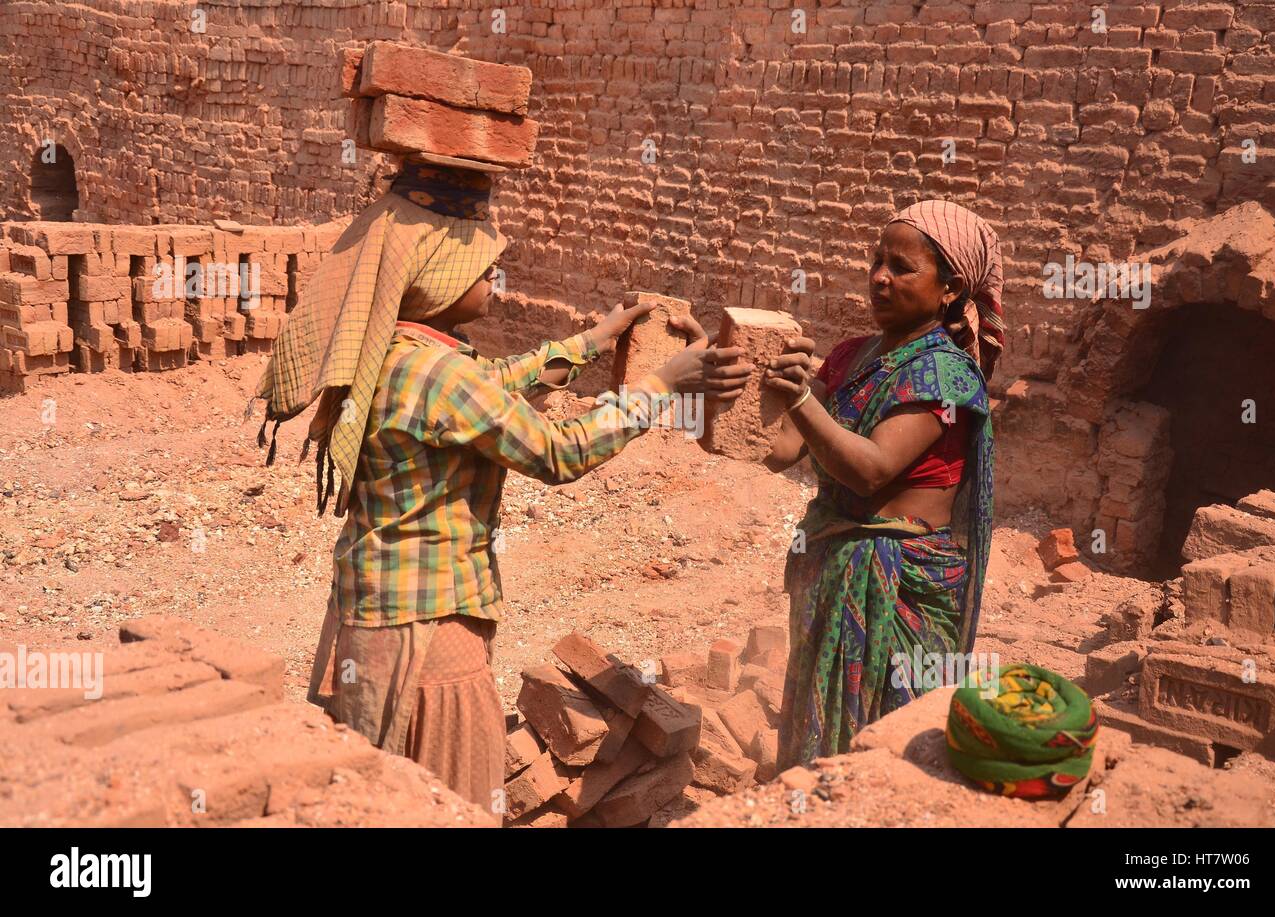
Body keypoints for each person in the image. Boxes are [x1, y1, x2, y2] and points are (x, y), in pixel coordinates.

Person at [253, 159, 711, 821]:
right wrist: (659, 388)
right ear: (436, 278)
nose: (495, 277)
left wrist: (592, 339)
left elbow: (495, 382)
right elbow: (560, 451)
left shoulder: (399, 353)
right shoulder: (439, 375)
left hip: (377, 616)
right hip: (430, 634)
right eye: (481, 265)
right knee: (451, 801)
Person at [702, 199, 1004, 769]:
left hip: (899, 584)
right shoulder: (850, 355)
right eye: (876, 261)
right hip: (833, 566)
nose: (880, 278)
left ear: (949, 288)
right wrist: (727, 386)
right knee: (820, 723)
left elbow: (870, 470)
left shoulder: (946, 376)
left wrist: (799, 398)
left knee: (886, 743)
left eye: (902, 267)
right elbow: (784, 450)